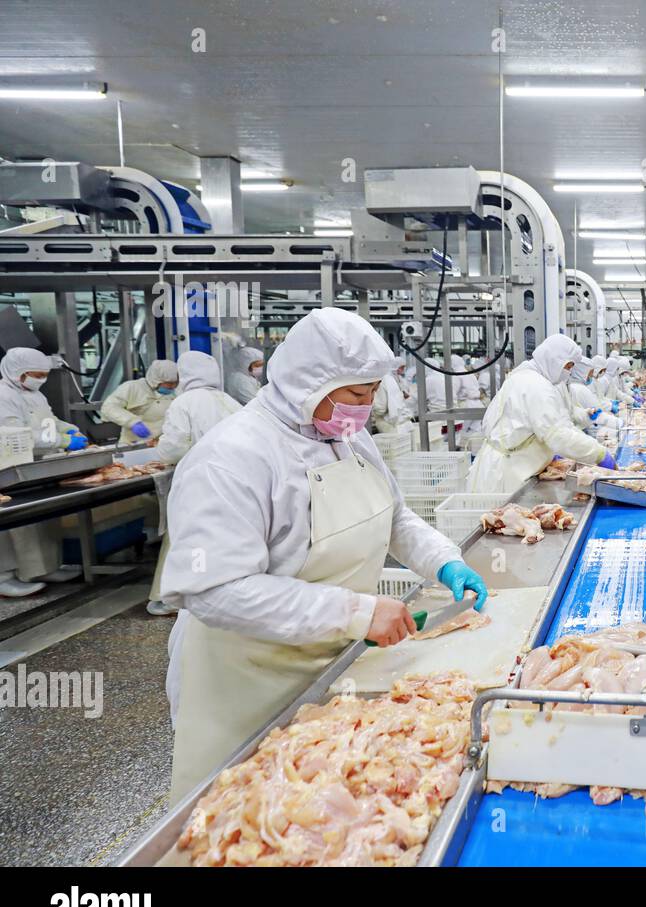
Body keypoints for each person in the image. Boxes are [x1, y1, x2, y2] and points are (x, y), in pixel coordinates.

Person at [160, 307, 488, 803]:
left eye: (374, 392)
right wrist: (357, 612)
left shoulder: (347, 439)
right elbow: (216, 590)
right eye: (358, 394)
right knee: (251, 817)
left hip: (331, 660)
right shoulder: (230, 458)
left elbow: (395, 516)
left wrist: (444, 559)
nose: (367, 406)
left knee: (323, 810)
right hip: (249, 679)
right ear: (309, 384)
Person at [148, 351, 243, 616]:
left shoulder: (185, 402)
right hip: (232, 480)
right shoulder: (229, 401)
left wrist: (160, 452)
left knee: (182, 536)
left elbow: (175, 447)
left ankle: (170, 596)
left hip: (198, 480)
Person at [466, 334, 617, 494]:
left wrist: (549, 453)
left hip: (511, 465)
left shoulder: (529, 377)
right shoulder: (536, 385)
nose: (569, 371)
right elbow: (558, 434)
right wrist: (599, 454)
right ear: (554, 360)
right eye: (568, 366)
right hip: (506, 473)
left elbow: (557, 424)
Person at [0, 348, 90, 595]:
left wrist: (68, 429)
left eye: (43, 375)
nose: (40, 379)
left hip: (35, 464)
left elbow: (49, 421)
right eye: (35, 374)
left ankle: (43, 568)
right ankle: (4, 576)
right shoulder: (3, 395)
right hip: (8, 466)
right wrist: (61, 441)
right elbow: (15, 435)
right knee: (13, 524)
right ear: (17, 372)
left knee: (42, 519)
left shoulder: (35, 395)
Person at [99, 359, 179, 444]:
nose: (173, 386)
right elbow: (108, 407)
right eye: (169, 384)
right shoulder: (132, 387)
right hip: (132, 444)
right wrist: (132, 422)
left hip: (160, 443)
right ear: (156, 380)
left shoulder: (174, 394)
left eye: (175, 383)